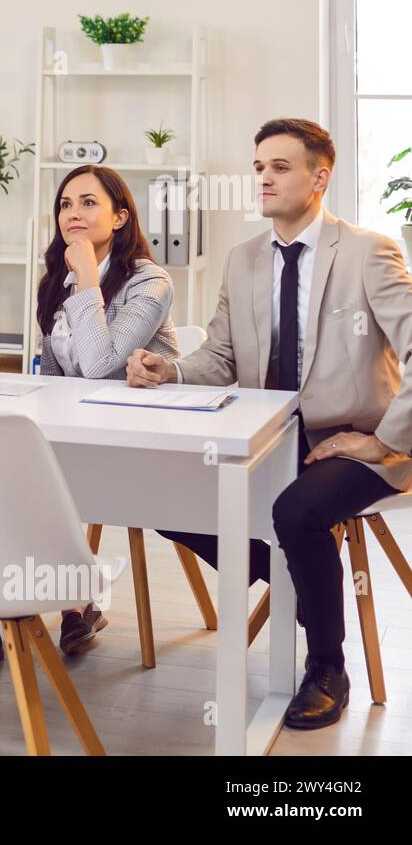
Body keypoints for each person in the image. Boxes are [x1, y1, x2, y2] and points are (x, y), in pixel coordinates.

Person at [128, 118, 412, 730]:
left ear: (320, 177)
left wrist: (384, 438)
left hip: (356, 445)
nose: (264, 178)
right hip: (269, 436)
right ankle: (308, 597)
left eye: (280, 167)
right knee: (165, 499)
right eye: (258, 167)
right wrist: (170, 371)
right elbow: (223, 356)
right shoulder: (245, 259)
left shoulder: (367, 250)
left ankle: (326, 664)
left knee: (295, 512)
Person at [33, 164, 179, 656]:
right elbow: (52, 378)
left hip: (141, 443)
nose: (72, 213)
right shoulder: (55, 280)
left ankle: (61, 603)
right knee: (11, 465)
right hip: (79, 433)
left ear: (119, 218)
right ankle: (6, 615)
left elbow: (97, 366)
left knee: (40, 479)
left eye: (88, 202)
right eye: (65, 204)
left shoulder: (149, 282)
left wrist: (87, 280)